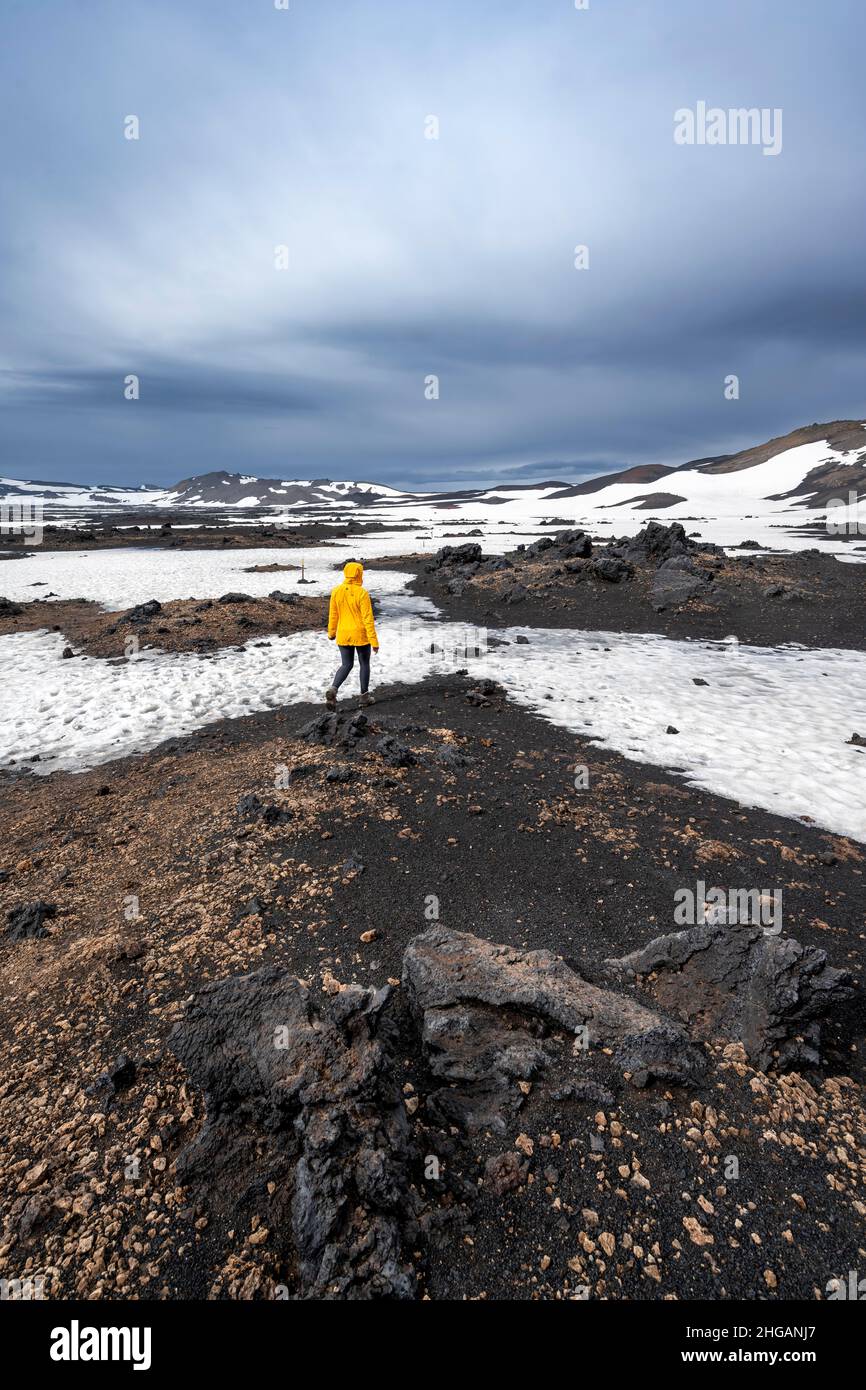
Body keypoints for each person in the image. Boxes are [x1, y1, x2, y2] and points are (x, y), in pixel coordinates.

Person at [325, 560, 379, 708]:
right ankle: (364, 697)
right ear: (359, 574)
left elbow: (333, 614)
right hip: (360, 634)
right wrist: (374, 641)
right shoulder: (362, 593)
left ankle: (333, 689)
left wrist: (331, 632)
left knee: (346, 664)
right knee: (364, 663)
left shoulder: (336, 591)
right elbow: (368, 618)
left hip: (343, 633)